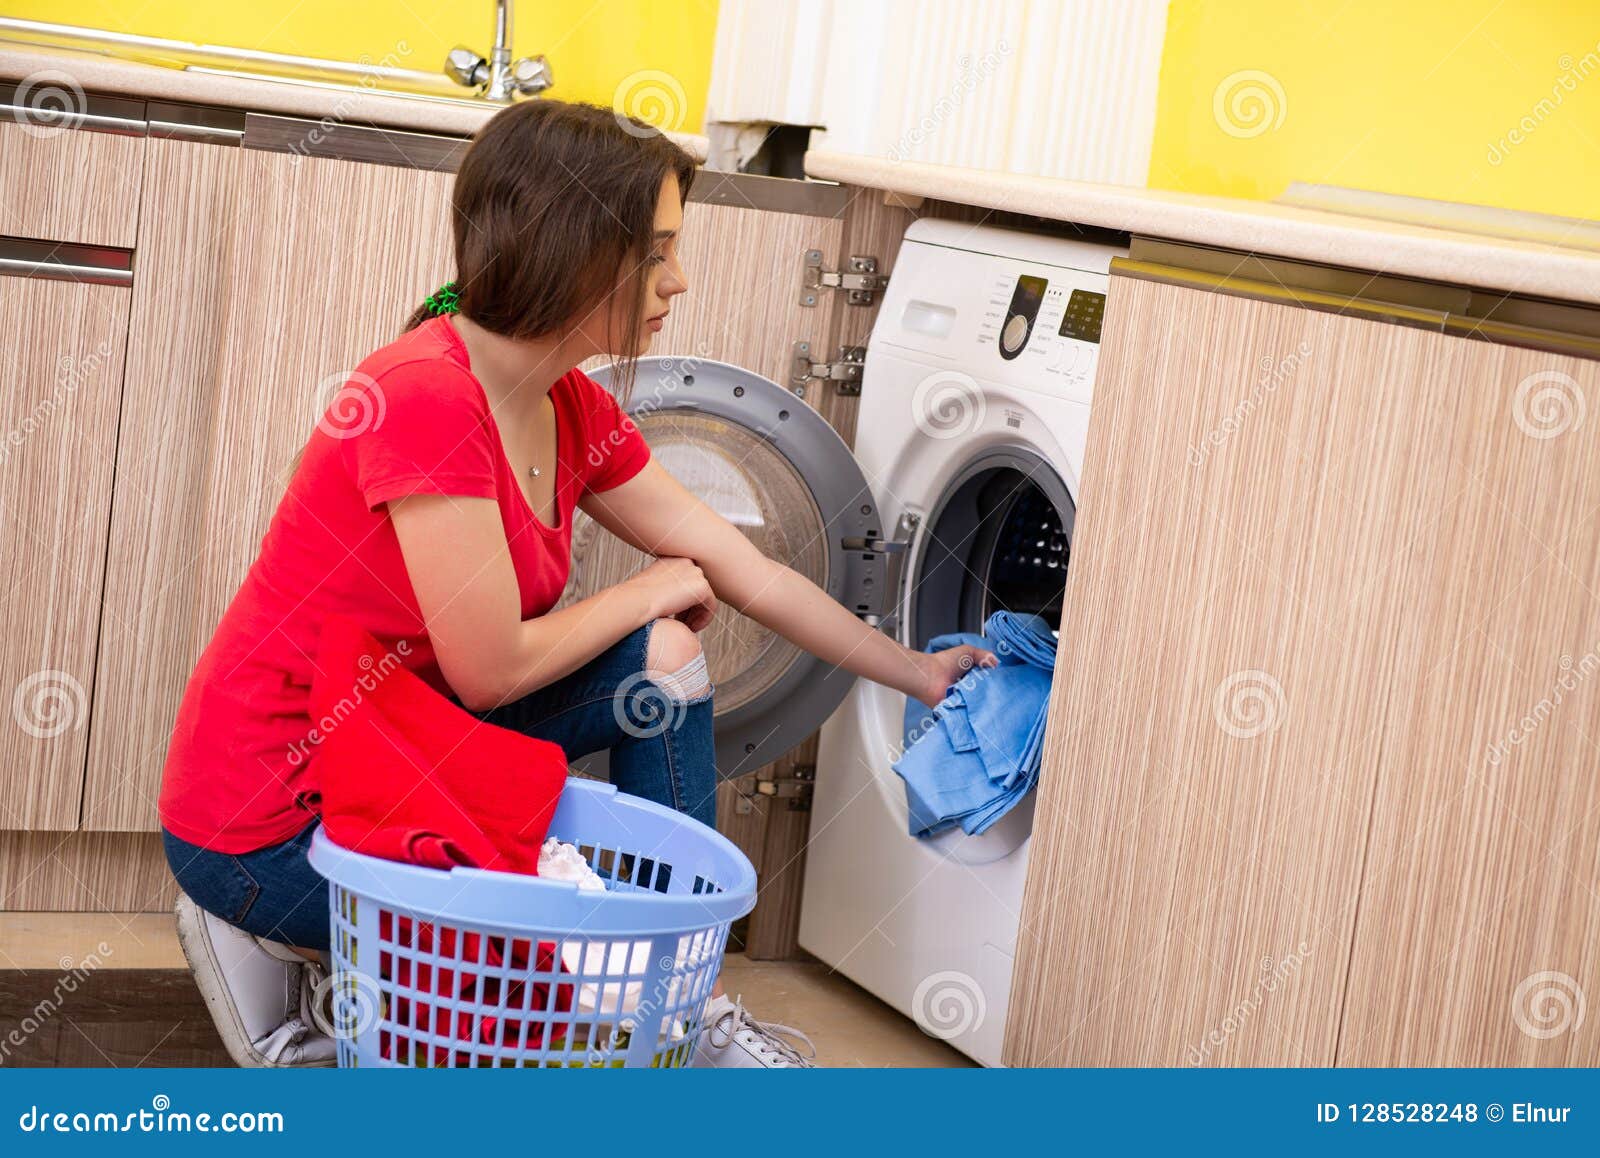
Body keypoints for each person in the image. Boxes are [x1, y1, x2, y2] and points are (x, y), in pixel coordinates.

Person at [158, 97, 995, 1069]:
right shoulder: (425, 399)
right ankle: (289, 942)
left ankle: (684, 1014)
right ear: (574, 245)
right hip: (273, 821)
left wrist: (921, 677)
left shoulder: (568, 407)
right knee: (556, 923)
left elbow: (746, 571)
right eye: (659, 250)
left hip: (402, 755)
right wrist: (642, 591)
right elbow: (488, 671)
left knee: (666, 665)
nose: (678, 281)